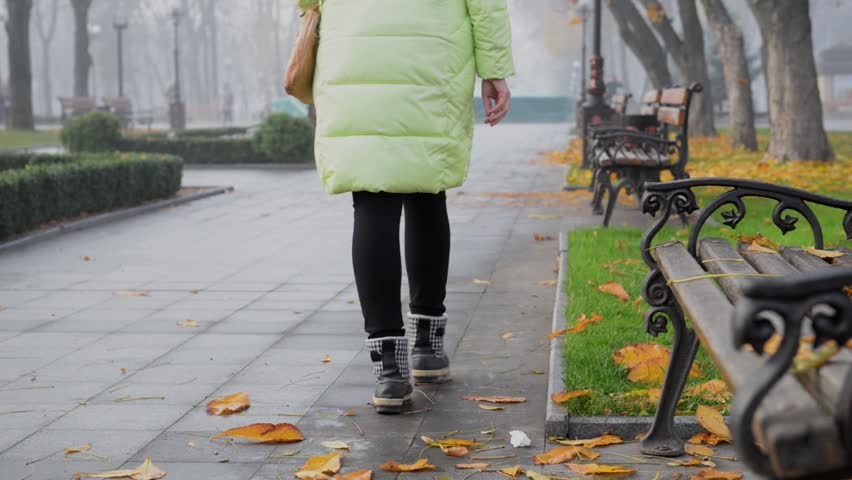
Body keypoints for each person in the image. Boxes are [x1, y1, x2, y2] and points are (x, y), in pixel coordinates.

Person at [294, 0, 514, 414]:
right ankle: (427, 348)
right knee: (427, 191)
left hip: (354, 51)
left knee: (372, 202)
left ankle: (389, 370)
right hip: (433, 54)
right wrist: (494, 68)